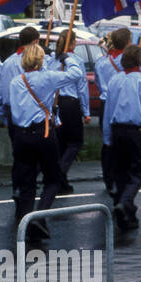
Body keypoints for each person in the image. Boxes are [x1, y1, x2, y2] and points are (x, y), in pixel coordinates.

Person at [8, 43, 84, 241]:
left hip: (21, 135)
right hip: (43, 133)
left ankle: (25, 222)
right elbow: (76, 74)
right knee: (53, 178)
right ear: (41, 60)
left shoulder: (16, 82)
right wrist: (67, 58)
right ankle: (40, 216)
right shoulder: (48, 77)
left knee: (27, 182)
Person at [101, 46, 141, 230]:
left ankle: (126, 215)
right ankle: (126, 202)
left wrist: (107, 137)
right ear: (140, 62)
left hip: (117, 130)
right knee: (138, 173)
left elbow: (108, 111)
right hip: (136, 132)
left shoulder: (114, 80)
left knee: (121, 172)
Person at [52, 29, 90, 194]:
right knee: (75, 142)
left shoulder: (52, 60)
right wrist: (86, 110)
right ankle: (60, 173)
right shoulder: (75, 60)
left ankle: (62, 182)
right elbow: (82, 87)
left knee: (61, 143)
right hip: (71, 103)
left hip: (56, 103)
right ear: (73, 42)